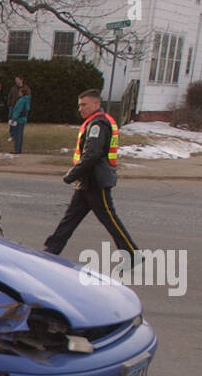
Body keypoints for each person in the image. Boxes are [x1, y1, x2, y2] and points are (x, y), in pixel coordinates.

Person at [44, 89, 138, 264]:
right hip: (88, 181)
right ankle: (51, 250)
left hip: (96, 181)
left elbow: (92, 154)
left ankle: (132, 253)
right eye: (79, 105)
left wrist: (71, 175)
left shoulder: (98, 124)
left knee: (109, 219)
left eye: (84, 105)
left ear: (96, 104)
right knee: (69, 219)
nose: (80, 108)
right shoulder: (96, 122)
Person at [8, 84, 30, 154]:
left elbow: (18, 110)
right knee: (20, 135)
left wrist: (13, 118)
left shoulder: (21, 100)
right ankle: (19, 149)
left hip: (18, 119)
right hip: (23, 119)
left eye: (20, 92)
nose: (18, 93)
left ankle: (16, 149)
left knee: (17, 135)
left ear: (22, 93)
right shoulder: (27, 99)